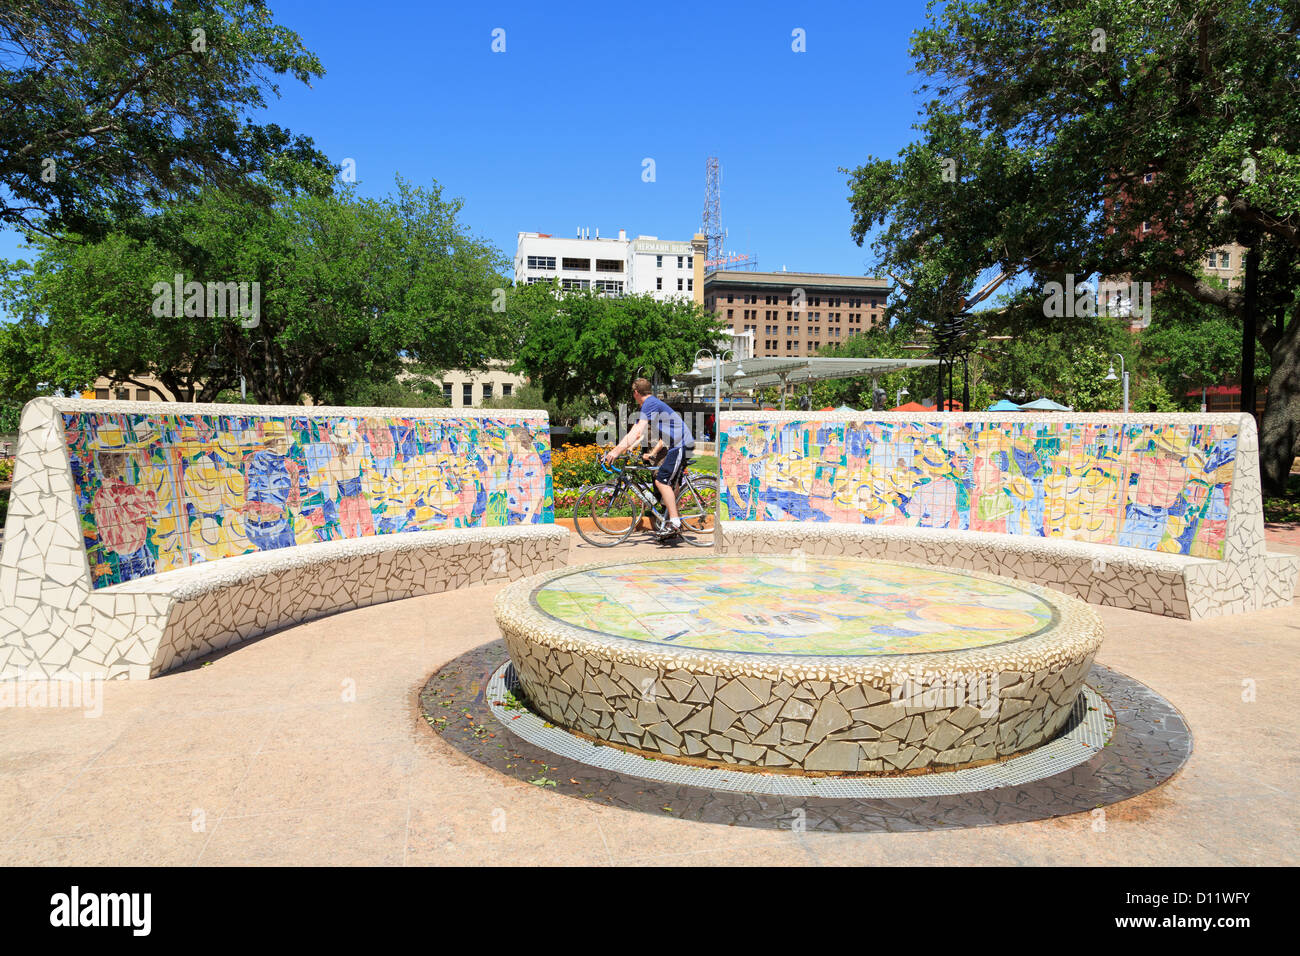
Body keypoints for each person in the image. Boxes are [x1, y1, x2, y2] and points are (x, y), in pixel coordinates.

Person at [602, 378, 694, 537]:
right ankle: (668, 522)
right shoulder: (650, 404)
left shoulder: (649, 403)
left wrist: (615, 452)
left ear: (636, 392)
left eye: (633, 393)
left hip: (681, 443)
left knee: (661, 480)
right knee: (664, 482)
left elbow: (636, 431)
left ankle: (675, 523)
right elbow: (637, 432)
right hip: (675, 444)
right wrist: (622, 449)